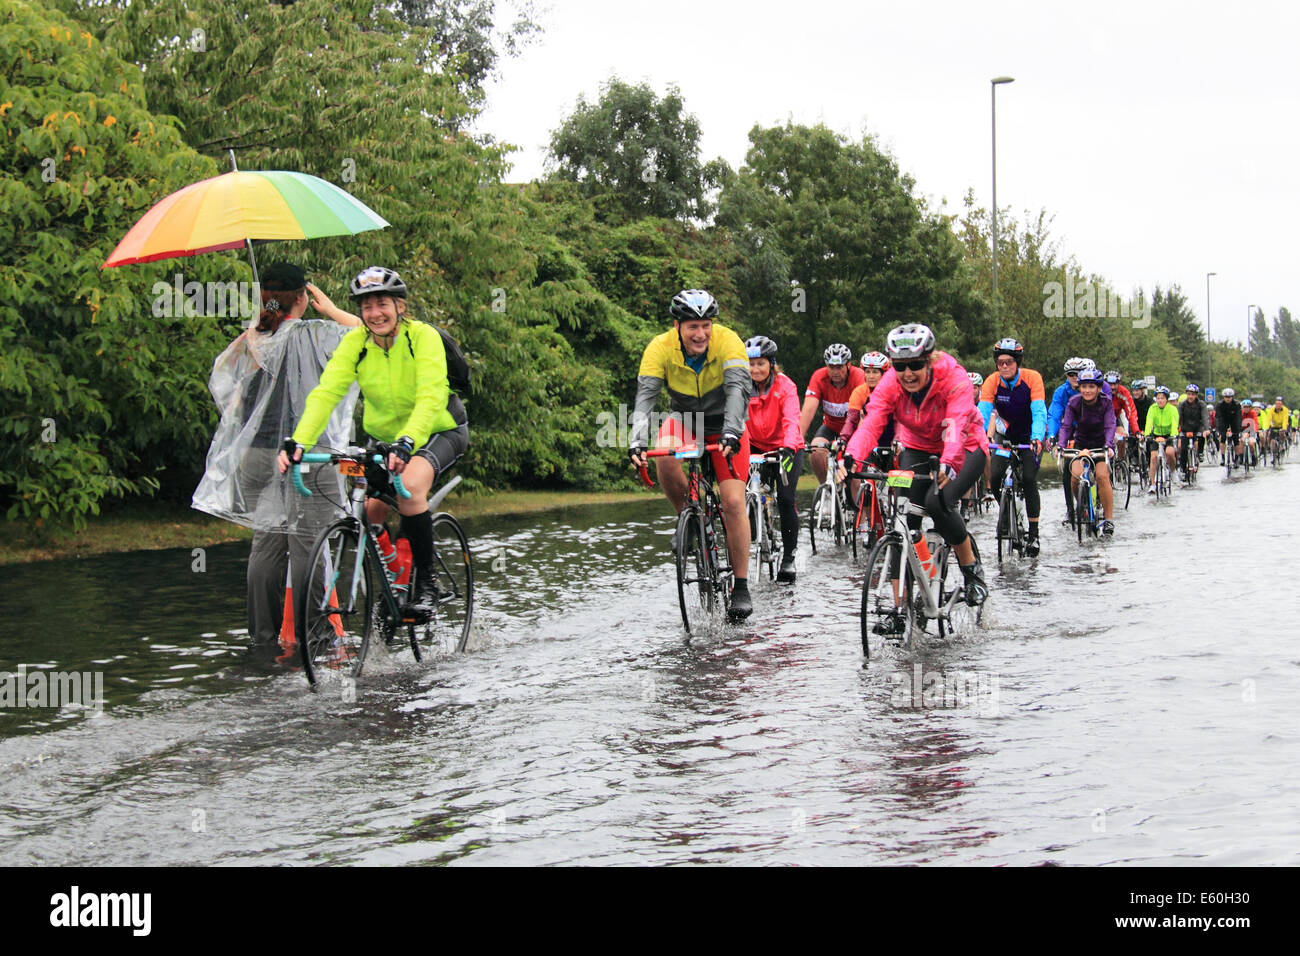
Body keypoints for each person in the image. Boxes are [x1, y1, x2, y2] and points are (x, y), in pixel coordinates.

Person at [277, 266, 470, 615]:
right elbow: (326, 393)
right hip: (385, 438)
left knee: (409, 486)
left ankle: (426, 583)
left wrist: (408, 441)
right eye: (366, 308)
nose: (374, 313)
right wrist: (299, 442)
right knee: (369, 511)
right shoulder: (357, 342)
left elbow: (430, 396)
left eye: (382, 304)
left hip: (439, 428)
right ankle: (397, 574)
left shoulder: (422, 337)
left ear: (399, 306)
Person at [193, 263, 361, 644]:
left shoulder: (252, 338)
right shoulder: (317, 334)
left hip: (255, 455)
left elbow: (225, 387)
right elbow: (371, 332)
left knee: (267, 543)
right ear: (303, 297)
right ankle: (314, 637)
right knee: (308, 543)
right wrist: (331, 309)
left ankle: (262, 639)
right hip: (306, 455)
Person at [843, 323, 990, 635]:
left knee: (937, 504)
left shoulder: (953, 377)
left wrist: (949, 463)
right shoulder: (890, 385)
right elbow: (872, 423)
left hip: (965, 445)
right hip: (917, 447)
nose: (907, 374)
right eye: (899, 367)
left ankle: (971, 570)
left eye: (914, 366)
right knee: (904, 520)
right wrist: (852, 456)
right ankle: (899, 606)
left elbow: (956, 423)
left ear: (929, 360)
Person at [627, 289, 753, 621]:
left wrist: (731, 431)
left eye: (706, 325)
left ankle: (741, 585)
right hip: (685, 419)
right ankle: (690, 518)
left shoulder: (729, 342)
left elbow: (738, 389)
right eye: (692, 326)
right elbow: (646, 397)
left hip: (727, 419)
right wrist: (636, 440)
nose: (700, 334)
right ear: (677, 326)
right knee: (664, 455)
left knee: (734, 502)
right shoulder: (659, 347)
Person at [977, 338, 1047, 555]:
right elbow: (982, 412)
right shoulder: (992, 381)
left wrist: (1037, 438)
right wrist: (978, 437)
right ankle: (1008, 516)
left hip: (1029, 437)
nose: (1004, 366)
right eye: (1000, 363)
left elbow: (1039, 411)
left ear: (1017, 362)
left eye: (1009, 362)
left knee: (1027, 479)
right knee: (995, 477)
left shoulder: (1032, 378)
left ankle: (1033, 534)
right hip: (1005, 434)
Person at [744, 335, 804, 583]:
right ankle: (755, 537)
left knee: (786, 498)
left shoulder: (785, 386)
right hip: (754, 445)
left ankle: (789, 556)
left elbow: (792, 420)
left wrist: (788, 447)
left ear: (771, 364)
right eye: (751, 364)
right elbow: (735, 419)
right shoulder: (740, 386)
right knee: (745, 493)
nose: (755, 369)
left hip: (785, 447)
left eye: (761, 364)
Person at [1058, 368, 1116, 535]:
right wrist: (1061, 445)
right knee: (1075, 476)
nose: (1087, 390)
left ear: (1098, 388)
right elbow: (1067, 425)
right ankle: (1082, 503)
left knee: (1102, 476)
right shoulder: (1074, 402)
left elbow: (1110, 425)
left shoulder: (1106, 403)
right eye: (1084, 387)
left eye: (1091, 387)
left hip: (1100, 445)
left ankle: (1109, 519)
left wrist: (1109, 446)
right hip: (1080, 444)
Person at [799, 343, 865, 485]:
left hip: (854, 429)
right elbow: (808, 409)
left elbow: (863, 413)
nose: (835, 371)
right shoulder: (819, 376)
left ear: (848, 365)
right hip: (831, 427)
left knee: (853, 472)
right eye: (831, 367)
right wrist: (797, 438)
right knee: (816, 450)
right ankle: (826, 489)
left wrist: (857, 442)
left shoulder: (858, 376)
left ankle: (853, 501)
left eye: (839, 367)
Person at [1144, 385, 1179, 492]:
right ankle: (1153, 484)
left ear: (1167, 399)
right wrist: (1147, 434)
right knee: (1153, 457)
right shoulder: (1152, 408)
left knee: (1169, 453)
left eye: (1162, 398)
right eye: (1158, 398)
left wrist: (1173, 435)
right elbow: (1149, 422)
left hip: (1168, 435)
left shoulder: (1172, 409)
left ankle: (1173, 471)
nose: (1160, 400)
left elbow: (1174, 423)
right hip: (1156, 435)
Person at [1104, 370, 1141, 463]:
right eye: (1110, 384)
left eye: (1115, 384)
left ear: (1119, 384)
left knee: (1122, 437)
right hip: (1102, 420)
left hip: (1115, 418)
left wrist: (1135, 430)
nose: (1112, 387)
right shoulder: (1100, 391)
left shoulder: (1123, 392)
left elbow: (1131, 412)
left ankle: (1120, 461)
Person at [1176, 384, 1210, 477]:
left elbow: (1205, 417)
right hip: (1185, 428)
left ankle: (1199, 454)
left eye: (1193, 394)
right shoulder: (1182, 404)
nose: (1190, 396)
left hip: (1197, 427)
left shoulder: (1201, 404)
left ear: (1196, 395)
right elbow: (1178, 417)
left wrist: (1207, 429)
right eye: (1189, 394)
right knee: (1183, 449)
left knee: (1200, 439)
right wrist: (1176, 429)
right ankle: (1182, 469)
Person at [1214, 388, 1244, 469]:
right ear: (1223, 397)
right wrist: (1218, 429)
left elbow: (1239, 418)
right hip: (1224, 420)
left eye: (1229, 397)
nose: (1228, 399)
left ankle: (1236, 458)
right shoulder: (1220, 405)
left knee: (1235, 439)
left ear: (1232, 397)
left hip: (1234, 420)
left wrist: (1239, 429)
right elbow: (1217, 418)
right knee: (1222, 438)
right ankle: (1223, 458)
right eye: (1226, 397)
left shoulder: (1237, 404)